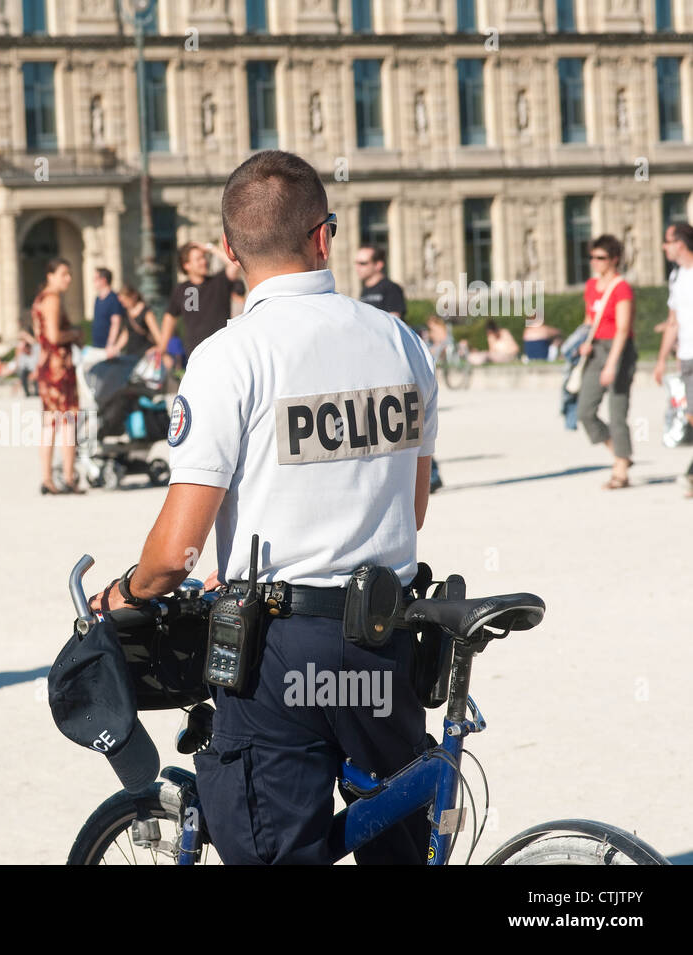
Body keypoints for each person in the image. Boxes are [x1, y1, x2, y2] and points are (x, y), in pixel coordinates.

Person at [89, 150, 438, 865]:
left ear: (229, 249)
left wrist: (126, 591)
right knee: (399, 847)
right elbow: (415, 507)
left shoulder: (229, 356)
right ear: (323, 236)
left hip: (278, 646)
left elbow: (177, 551)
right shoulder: (400, 340)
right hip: (387, 633)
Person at [578, 234, 636, 490]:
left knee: (617, 412)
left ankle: (620, 470)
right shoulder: (591, 286)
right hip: (596, 350)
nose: (594, 261)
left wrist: (612, 364)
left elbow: (623, 329)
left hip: (619, 350)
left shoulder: (622, 288)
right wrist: (584, 342)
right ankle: (620, 453)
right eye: (592, 257)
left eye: (600, 257)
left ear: (614, 259)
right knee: (585, 411)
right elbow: (589, 320)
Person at [32, 257, 83, 494]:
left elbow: (41, 335)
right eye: (64, 274)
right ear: (50, 275)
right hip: (59, 369)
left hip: (46, 367)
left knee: (50, 423)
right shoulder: (52, 298)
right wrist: (74, 334)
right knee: (68, 421)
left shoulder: (40, 298)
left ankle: (47, 479)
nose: (68, 279)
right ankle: (69, 477)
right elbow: (54, 336)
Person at [654, 222, 693, 497]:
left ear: (680, 244)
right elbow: (673, 322)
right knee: (690, 415)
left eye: (667, 241)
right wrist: (661, 360)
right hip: (687, 356)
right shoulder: (676, 276)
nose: (663, 247)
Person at [164, 241, 245, 363]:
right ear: (186, 265)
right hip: (195, 356)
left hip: (222, 352)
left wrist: (210, 248)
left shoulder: (219, 281)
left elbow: (235, 264)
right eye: (198, 259)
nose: (204, 261)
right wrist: (162, 349)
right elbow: (170, 317)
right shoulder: (182, 289)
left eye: (203, 257)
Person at [355, 246, 406, 320]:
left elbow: (394, 320)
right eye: (356, 263)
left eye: (363, 263)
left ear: (378, 265)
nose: (357, 268)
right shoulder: (365, 289)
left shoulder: (391, 288)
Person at [90, 267, 126, 357]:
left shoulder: (114, 299)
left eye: (96, 279)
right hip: (97, 346)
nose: (93, 281)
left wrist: (110, 345)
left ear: (103, 280)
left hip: (109, 348)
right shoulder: (97, 299)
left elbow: (116, 323)